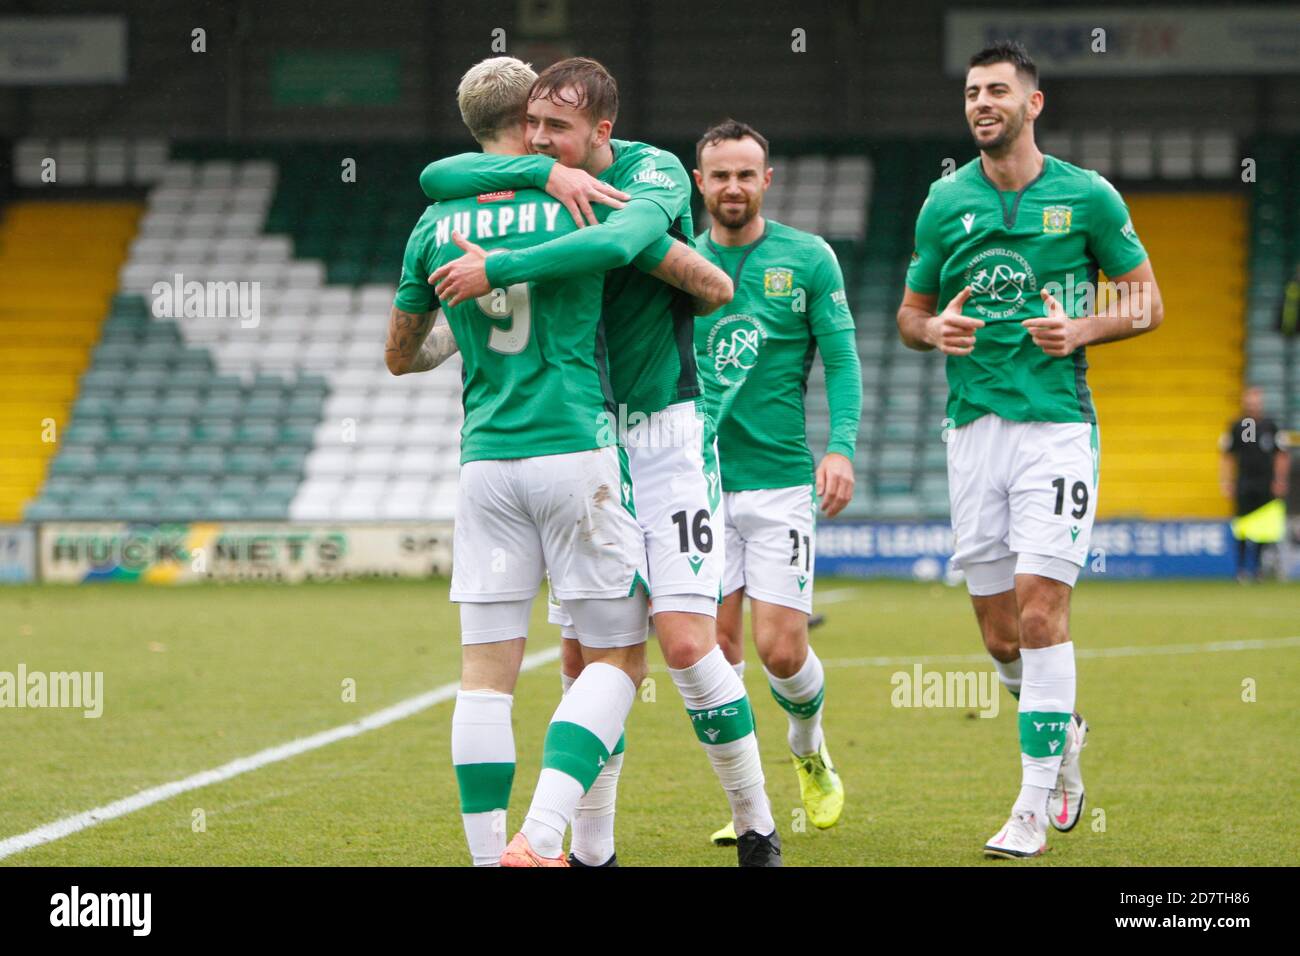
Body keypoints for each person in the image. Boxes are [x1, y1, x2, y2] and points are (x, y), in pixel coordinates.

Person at [417, 58, 783, 866]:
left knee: (686, 644)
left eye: (561, 130)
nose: (546, 140)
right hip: (586, 442)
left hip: (666, 435)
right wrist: (544, 171)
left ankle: (755, 821)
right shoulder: (540, 183)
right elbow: (437, 171)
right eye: (535, 127)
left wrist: (500, 265)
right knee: (587, 657)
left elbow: (625, 238)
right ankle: (592, 849)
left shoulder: (650, 171)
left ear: (601, 133)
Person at [895, 41, 1164, 858]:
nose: (982, 102)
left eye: (998, 91)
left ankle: (1028, 806)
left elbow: (1148, 300)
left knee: (1043, 611)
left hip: (1055, 428)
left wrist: (1083, 327)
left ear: (1032, 104)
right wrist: (933, 329)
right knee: (1001, 636)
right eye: (973, 92)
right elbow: (910, 316)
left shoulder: (1086, 197)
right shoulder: (945, 202)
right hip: (972, 431)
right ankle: (1065, 743)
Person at [692, 120, 861, 845]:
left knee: (782, 651)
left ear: (768, 181)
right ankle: (748, 809)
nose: (732, 186)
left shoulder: (808, 257)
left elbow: (843, 361)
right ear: (699, 182)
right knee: (713, 651)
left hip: (781, 484)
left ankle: (808, 749)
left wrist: (841, 447)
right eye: (719, 174)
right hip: (696, 486)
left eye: (745, 174)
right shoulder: (675, 262)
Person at [1219, 386, 1290, 581]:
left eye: (1256, 401)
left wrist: (1279, 480)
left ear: (1261, 403)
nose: (1253, 405)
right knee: (1242, 526)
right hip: (1244, 483)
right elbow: (1227, 455)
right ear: (1245, 402)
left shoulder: (1271, 426)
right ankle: (1241, 570)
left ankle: (1258, 569)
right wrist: (1226, 481)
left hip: (1265, 483)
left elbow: (1282, 455)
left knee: (1263, 528)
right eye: (1250, 401)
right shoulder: (1239, 426)